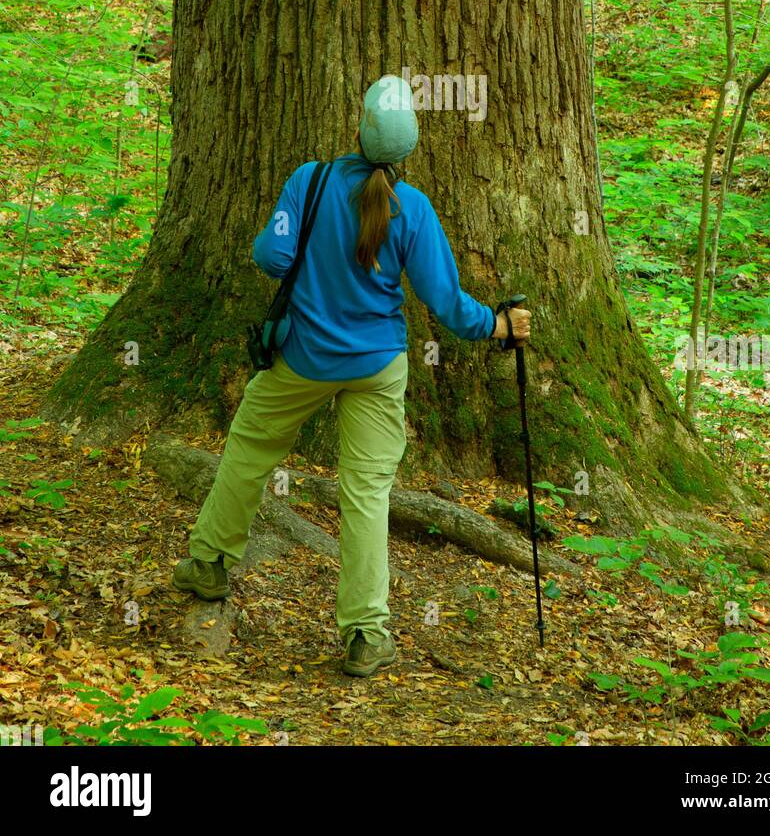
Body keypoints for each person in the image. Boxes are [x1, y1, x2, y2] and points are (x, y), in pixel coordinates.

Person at [172, 74, 531, 677]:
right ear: (409, 149)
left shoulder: (308, 182)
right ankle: (365, 633)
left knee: (249, 450)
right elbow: (446, 304)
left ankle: (209, 563)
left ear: (359, 130)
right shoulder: (411, 210)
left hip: (303, 361)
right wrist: (495, 326)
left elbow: (270, 256)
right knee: (366, 495)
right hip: (378, 368)